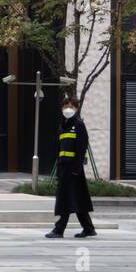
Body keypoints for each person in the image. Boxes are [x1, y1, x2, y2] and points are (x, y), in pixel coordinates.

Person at [46, 96, 96, 238]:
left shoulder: (78, 125)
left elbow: (81, 147)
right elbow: (59, 148)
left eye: (71, 106)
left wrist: (76, 168)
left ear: (76, 108)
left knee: (65, 198)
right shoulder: (63, 125)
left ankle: (59, 229)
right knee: (77, 198)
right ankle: (88, 228)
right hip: (64, 167)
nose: (68, 109)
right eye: (65, 106)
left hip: (73, 169)